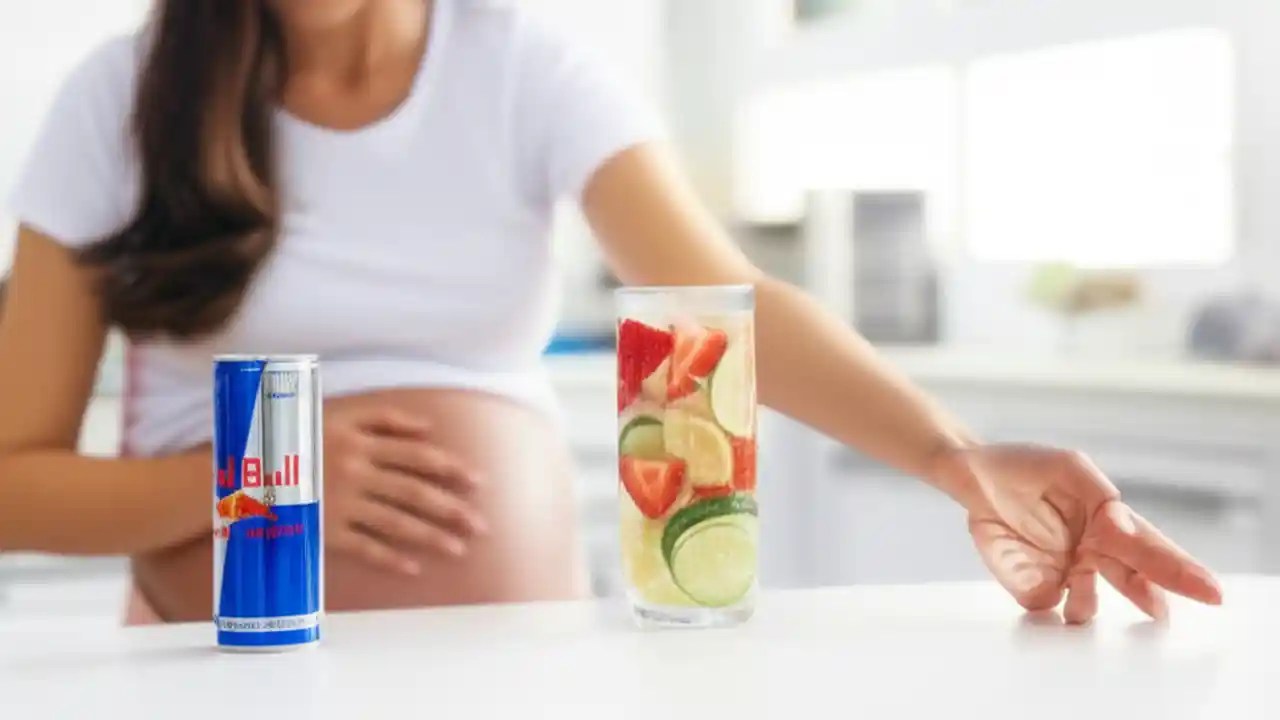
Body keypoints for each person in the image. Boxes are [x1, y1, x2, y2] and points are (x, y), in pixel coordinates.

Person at [0, 0, 1220, 626]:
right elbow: (10, 481)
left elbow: (729, 306)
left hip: (516, 667)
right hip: (223, 670)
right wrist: (258, 483)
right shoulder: (116, 105)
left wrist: (951, 457)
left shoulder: (525, 68)